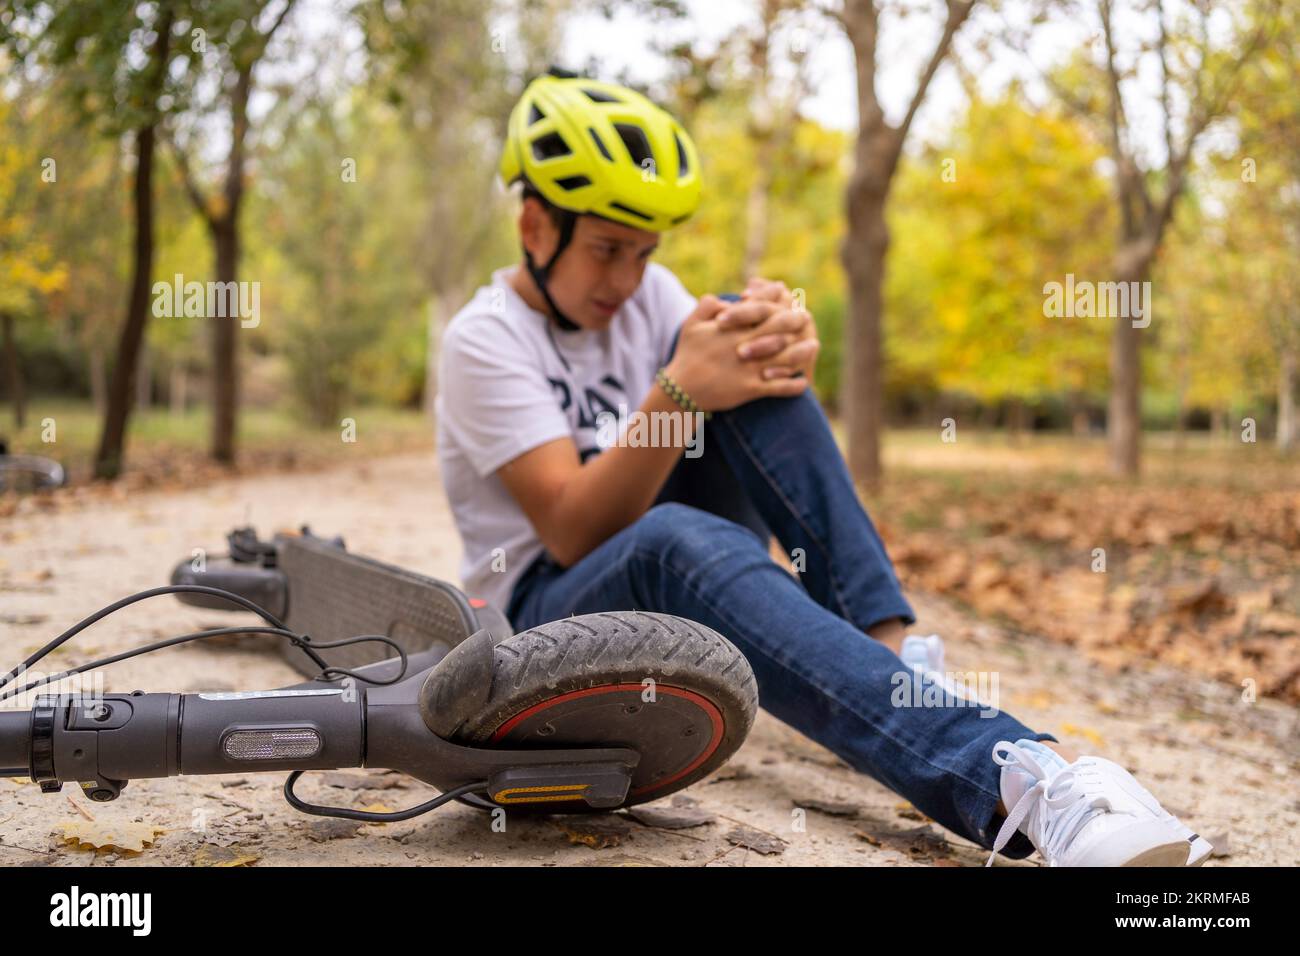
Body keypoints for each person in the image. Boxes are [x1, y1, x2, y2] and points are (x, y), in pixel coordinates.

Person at [433, 69, 1210, 867]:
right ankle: (1021, 779)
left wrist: (774, 343)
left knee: (745, 343)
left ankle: (892, 658)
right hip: (544, 619)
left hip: (666, 564)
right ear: (535, 226)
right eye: (606, 251)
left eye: (644, 253)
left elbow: (722, 385)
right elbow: (570, 530)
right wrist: (681, 389)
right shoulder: (484, 338)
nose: (629, 280)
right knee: (675, 531)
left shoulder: (650, 296)